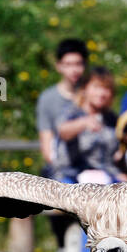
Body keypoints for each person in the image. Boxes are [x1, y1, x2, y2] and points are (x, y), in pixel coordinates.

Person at [55, 67, 127, 252]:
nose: (102, 94)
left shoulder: (112, 119)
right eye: (97, 87)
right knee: (92, 209)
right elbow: (63, 132)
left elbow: (116, 153)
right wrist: (83, 123)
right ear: (85, 89)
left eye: (106, 89)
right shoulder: (72, 113)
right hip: (73, 175)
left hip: (104, 175)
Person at [36, 38, 88, 179]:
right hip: (61, 171)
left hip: (91, 169)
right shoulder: (47, 98)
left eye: (78, 64)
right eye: (68, 64)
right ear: (59, 66)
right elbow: (47, 145)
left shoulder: (93, 94)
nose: (74, 70)